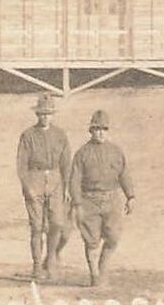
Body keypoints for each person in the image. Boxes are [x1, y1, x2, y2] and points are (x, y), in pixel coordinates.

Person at [69, 110, 135, 287]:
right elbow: (74, 179)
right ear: (91, 131)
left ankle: (103, 267)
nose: (100, 133)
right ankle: (94, 274)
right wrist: (77, 204)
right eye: (97, 129)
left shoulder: (116, 151)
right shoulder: (82, 153)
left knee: (113, 237)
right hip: (89, 201)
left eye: (104, 129)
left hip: (112, 200)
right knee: (91, 240)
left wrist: (130, 196)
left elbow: (124, 174)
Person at [18, 95, 73, 282]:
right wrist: (27, 187)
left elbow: (66, 162)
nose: (45, 117)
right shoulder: (28, 135)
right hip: (35, 179)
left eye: (48, 114)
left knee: (57, 223)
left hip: (56, 181)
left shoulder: (60, 135)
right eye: (42, 114)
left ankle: (50, 260)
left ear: (53, 115)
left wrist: (66, 187)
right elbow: (21, 165)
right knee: (37, 226)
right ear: (37, 114)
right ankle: (36, 266)